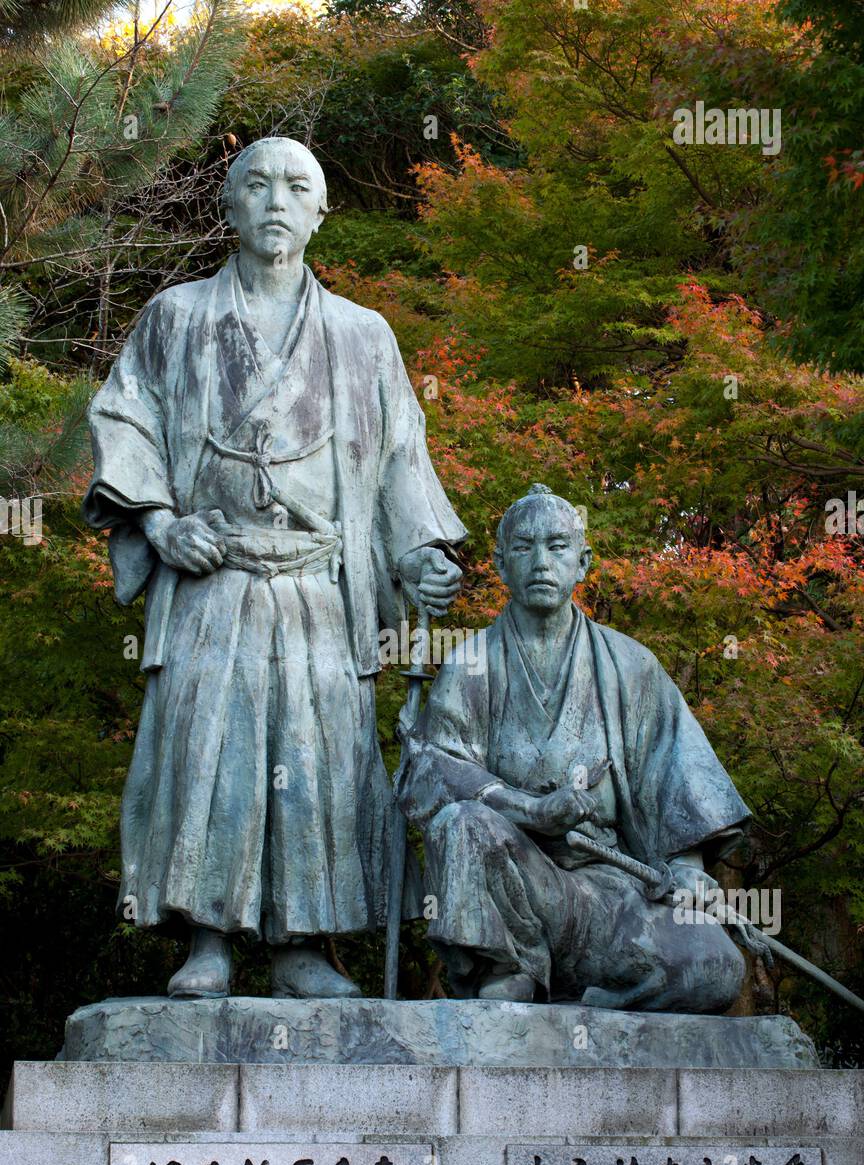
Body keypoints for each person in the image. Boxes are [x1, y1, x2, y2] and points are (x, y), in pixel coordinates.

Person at [84, 137, 465, 1000]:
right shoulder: (176, 317)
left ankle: (303, 946)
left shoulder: (362, 335)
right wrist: (159, 521)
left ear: (322, 213)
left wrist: (419, 557)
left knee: (319, 756)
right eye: (255, 185)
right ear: (227, 206)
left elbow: (401, 461)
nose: (276, 201)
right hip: (212, 578)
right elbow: (126, 420)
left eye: (298, 187)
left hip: (319, 586)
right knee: (205, 749)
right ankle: (208, 940)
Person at [396, 484, 770, 1011]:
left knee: (717, 967)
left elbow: (676, 778)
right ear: (501, 566)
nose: (541, 563)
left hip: (611, 892)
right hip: (518, 877)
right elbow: (435, 771)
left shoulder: (631, 666)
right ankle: (509, 967)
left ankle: (591, 1003)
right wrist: (530, 809)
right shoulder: (471, 663)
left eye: (557, 546)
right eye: (524, 548)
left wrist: (687, 869)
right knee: (460, 823)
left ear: (583, 562)